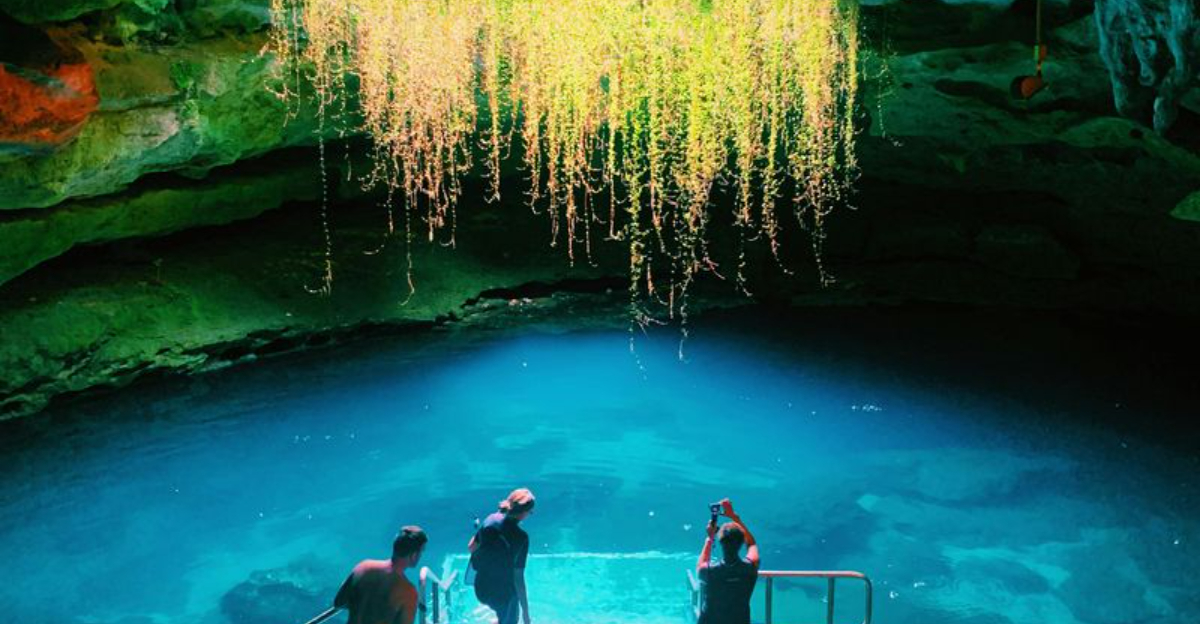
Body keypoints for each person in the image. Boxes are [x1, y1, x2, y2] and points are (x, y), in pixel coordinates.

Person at [333, 526, 428, 624]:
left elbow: (338, 603)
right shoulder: (408, 592)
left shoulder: (363, 567)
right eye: (422, 551)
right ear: (414, 555)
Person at [468, 488, 535, 624]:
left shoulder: (490, 520)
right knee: (509, 616)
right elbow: (518, 579)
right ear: (523, 513)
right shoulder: (521, 538)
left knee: (502, 615)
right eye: (530, 512)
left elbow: (471, 547)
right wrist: (526, 614)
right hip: (503, 595)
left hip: (481, 587)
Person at [697, 499, 759, 624]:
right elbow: (752, 544)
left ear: (721, 543)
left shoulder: (708, 571)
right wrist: (735, 518)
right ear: (742, 542)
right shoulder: (751, 567)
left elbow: (701, 563)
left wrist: (710, 538)